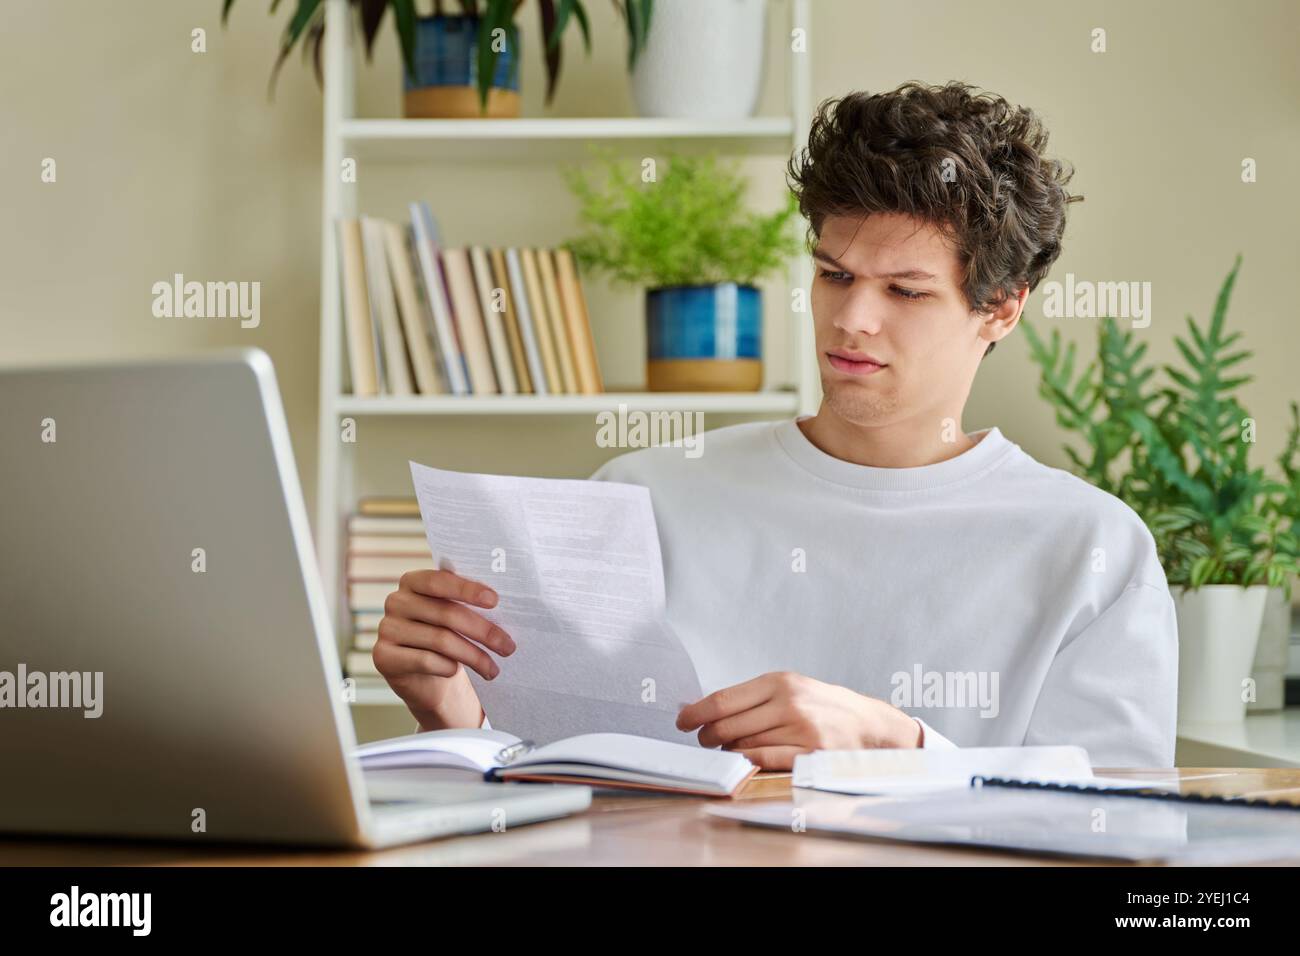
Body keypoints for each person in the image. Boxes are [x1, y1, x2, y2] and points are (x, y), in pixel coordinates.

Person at [373, 81, 1177, 770]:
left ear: (1000, 309)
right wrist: (455, 716)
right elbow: (553, 791)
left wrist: (900, 748)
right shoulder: (644, 494)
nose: (851, 319)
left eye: (904, 290)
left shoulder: (1092, 550)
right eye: (834, 275)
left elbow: (1113, 832)